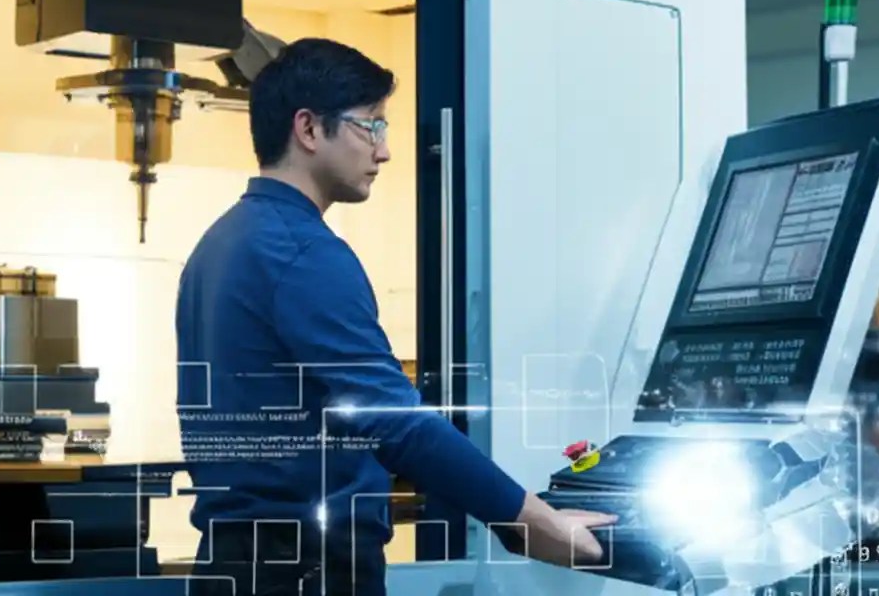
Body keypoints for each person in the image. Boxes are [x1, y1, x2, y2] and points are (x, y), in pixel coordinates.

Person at [176, 38, 616, 595]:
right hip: (307, 571)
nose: (383, 151)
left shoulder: (218, 245)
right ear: (309, 130)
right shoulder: (304, 253)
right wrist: (534, 525)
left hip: (229, 563)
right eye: (372, 126)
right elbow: (397, 421)